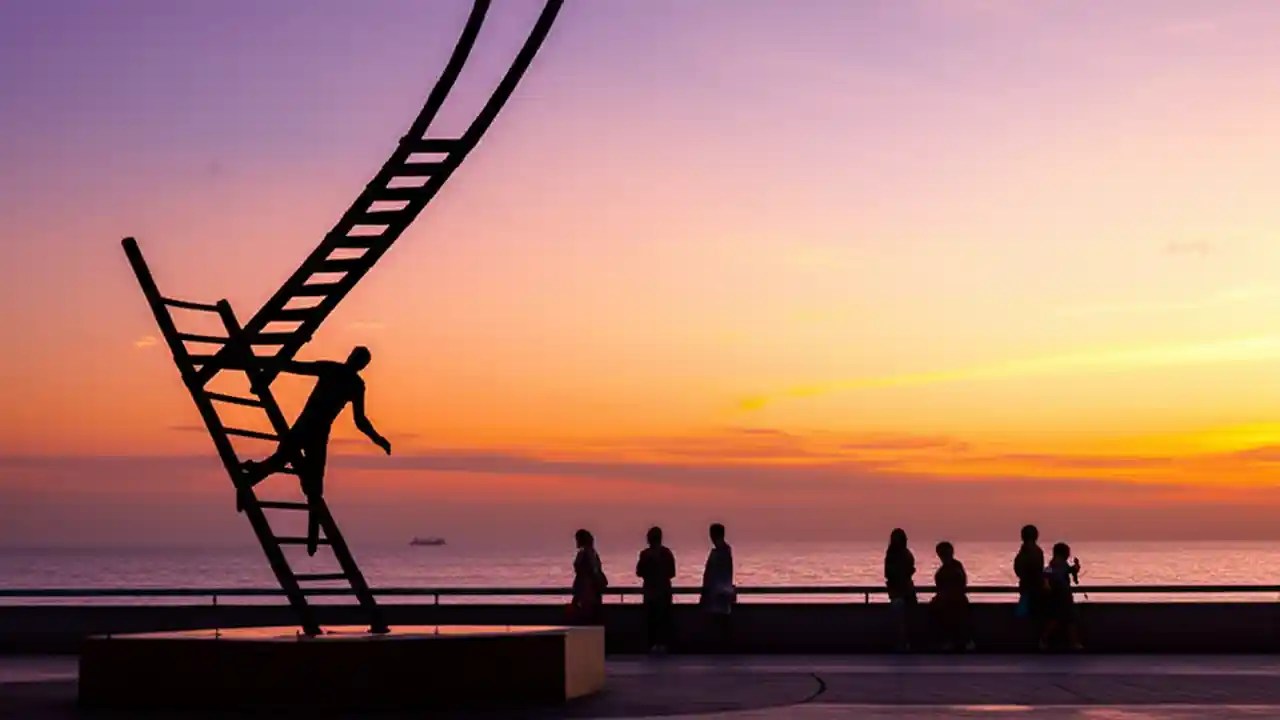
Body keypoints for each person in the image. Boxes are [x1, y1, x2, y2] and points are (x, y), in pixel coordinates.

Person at [241, 346, 391, 555]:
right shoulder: (337, 373)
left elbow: (360, 420)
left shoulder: (352, 382)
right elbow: (295, 367)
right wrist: (260, 363)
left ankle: (312, 537)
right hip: (308, 426)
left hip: (317, 431)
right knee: (285, 463)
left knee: (310, 482)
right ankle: (249, 480)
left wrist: (378, 439)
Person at [636, 526, 677, 653]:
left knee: (651, 621)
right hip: (664, 592)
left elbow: (639, 572)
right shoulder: (667, 553)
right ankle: (664, 645)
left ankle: (652, 645)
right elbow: (672, 572)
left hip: (650, 593)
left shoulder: (645, 554)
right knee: (663, 620)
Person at [1039, 542, 1083, 651]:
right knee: (1063, 619)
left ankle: (1072, 642)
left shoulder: (1061, 564)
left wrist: (1076, 567)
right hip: (1060, 594)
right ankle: (1072, 642)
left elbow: (1070, 571)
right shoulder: (1054, 565)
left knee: (1066, 619)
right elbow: (1046, 574)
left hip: (1062, 594)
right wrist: (1046, 584)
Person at [930, 541, 974, 651]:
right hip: (950, 600)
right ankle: (951, 641)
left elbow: (961, 584)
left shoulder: (952, 569)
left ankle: (960, 641)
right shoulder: (944, 571)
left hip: (956, 600)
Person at [700, 523, 735, 651]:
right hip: (721, 591)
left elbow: (713, 573)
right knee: (721, 620)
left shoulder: (720, 552)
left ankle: (721, 646)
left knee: (719, 621)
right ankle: (722, 645)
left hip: (718, 591)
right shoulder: (724, 551)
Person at [884, 528, 916, 651]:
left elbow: (888, 573)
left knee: (903, 618)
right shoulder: (900, 554)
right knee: (903, 618)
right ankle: (904, 642)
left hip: (901, 591)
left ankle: (904, 643)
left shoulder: (894, 554)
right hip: (901, 591)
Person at [571, 529, 608, 625]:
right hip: (592, 592)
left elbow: (589, 572)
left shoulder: (585, 554)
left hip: (587, 592)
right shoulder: (593, 554)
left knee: (586, 620)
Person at [1014, 524, 1046, 623]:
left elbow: (1018, 568)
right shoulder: (1037, 551)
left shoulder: (1024, 552)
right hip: (1034, 589)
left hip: (1028, 588)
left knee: (1025, 618)